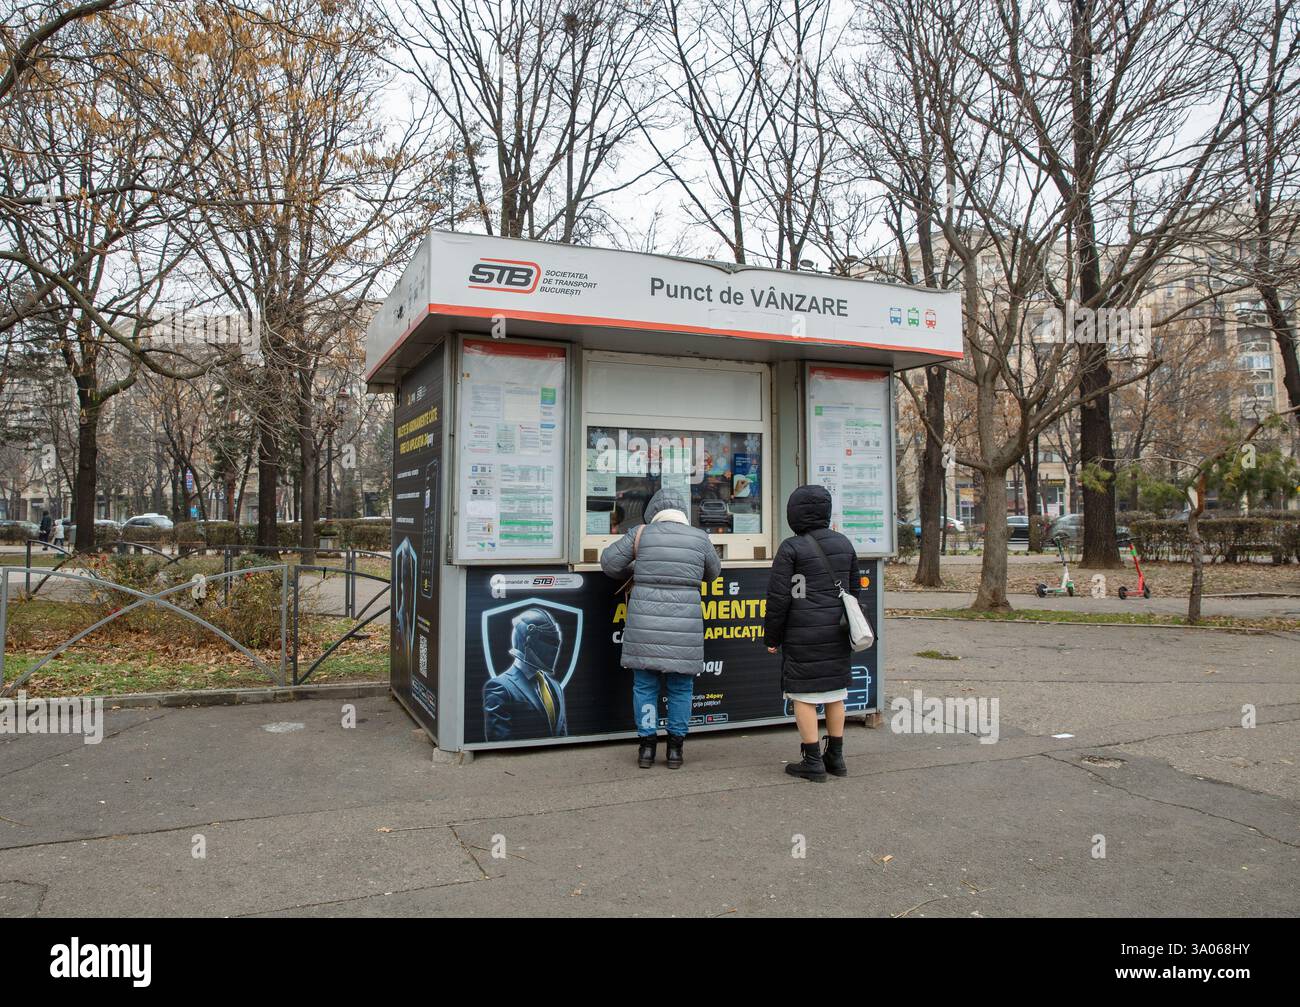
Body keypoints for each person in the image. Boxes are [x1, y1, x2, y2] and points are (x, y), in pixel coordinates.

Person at [601, 486, 721, 769]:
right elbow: (714, 573)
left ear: (653, 512)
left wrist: (636, 570)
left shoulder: (640, 534)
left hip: (645, 623)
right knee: (681, 687)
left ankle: (646, 749)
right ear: (683, 513)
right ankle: (676, 751)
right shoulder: (699, 538)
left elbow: (608, 563)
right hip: (685, 624)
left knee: (644, 685)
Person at [763, 484, 862, 782]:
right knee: (835, 694)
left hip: (802, 633)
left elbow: (779, 598)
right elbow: (854, 591)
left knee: (803, 696)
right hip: (837, 631)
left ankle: (812, 761)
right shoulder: (844, 543)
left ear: (794, 513)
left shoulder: (791, 547)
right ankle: (837, 757)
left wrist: (772, 637)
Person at [482, 607, 569, 742]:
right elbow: (500, 743)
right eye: (548, 640)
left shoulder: (556, 687)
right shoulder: (500, 687)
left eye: (555, 642)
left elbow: (562, 735)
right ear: (528, 639)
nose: (554, 649)